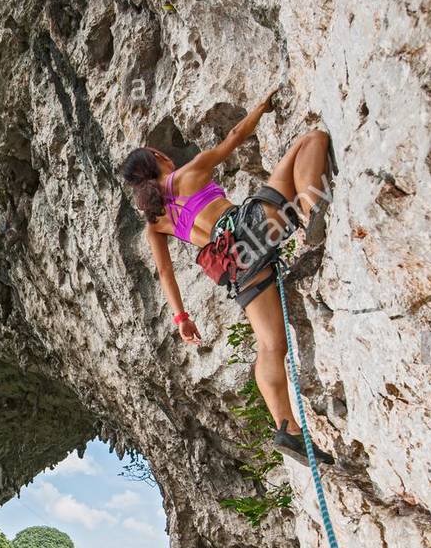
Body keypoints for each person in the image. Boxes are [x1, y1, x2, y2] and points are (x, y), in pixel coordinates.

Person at [118, 88, 334, 464]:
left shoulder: (155, 223)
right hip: (252, 226)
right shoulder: (189, 173)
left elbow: (166, 273)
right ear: (156, 157)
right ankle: (313, 208)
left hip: (235, 264)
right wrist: (262, 107)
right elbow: (235, 138)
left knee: (271, 345)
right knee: (312, 140)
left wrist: (182, 317)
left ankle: (286, 426)